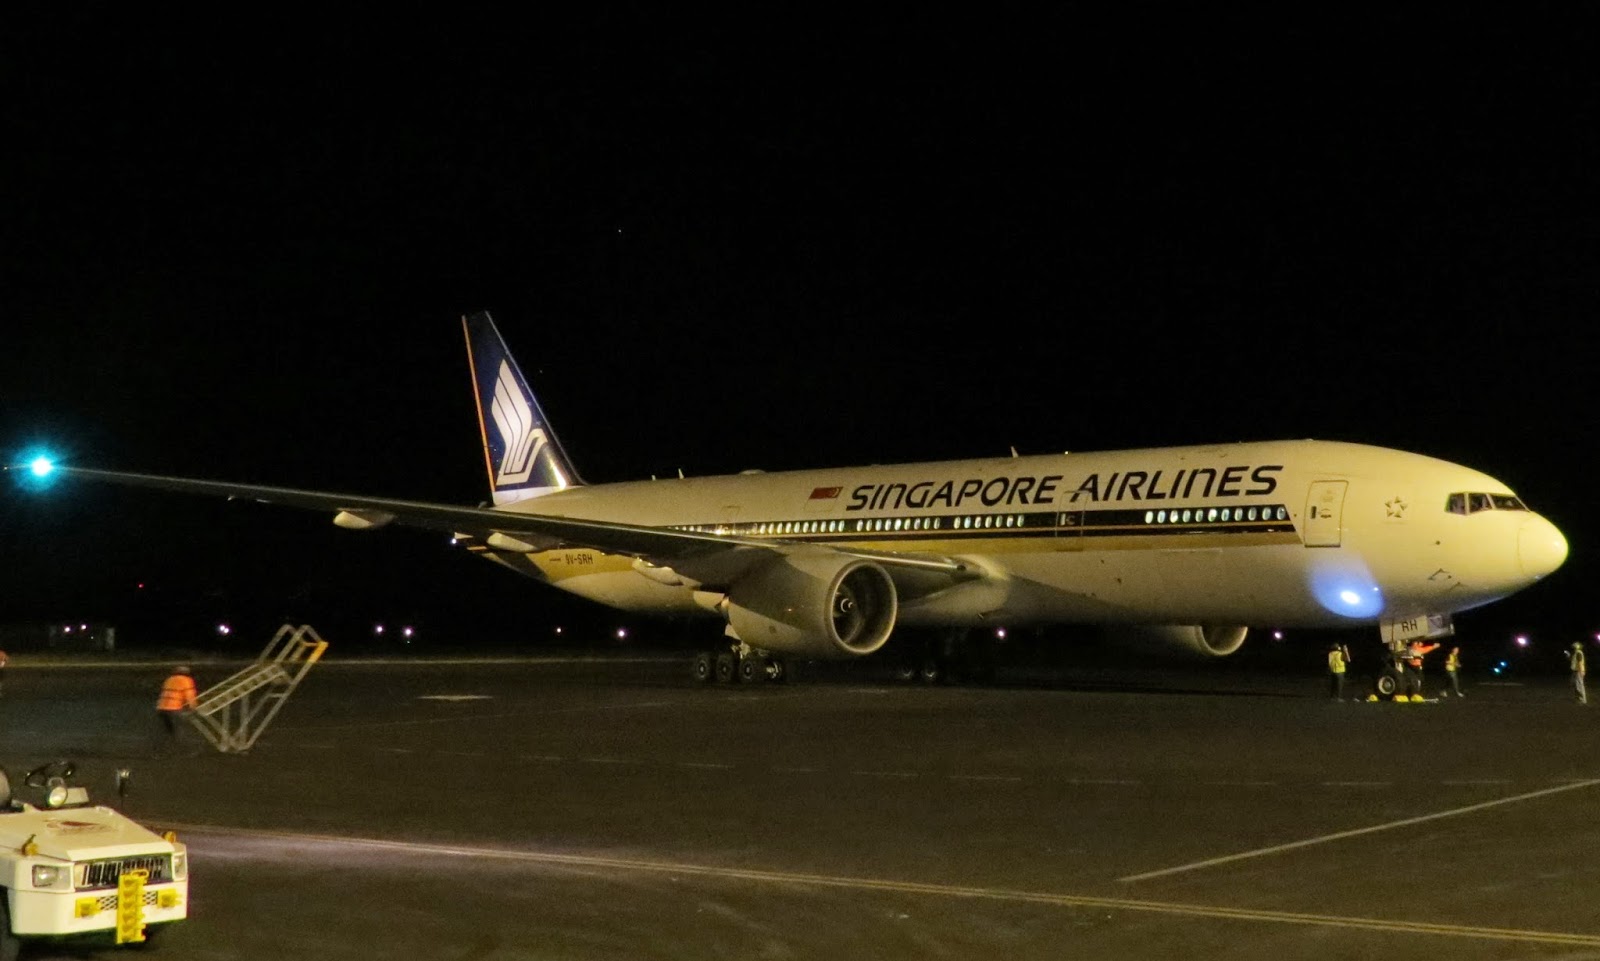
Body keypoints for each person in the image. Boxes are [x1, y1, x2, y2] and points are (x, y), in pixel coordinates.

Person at [155, 665, 199, 753]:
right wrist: (193, 708)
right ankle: (187, 750)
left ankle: (159, 751)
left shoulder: (169, 679)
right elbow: (189, 696)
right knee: (180, 729)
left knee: (166, 730)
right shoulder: (186, 680)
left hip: (161, 708)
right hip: (173, 708)